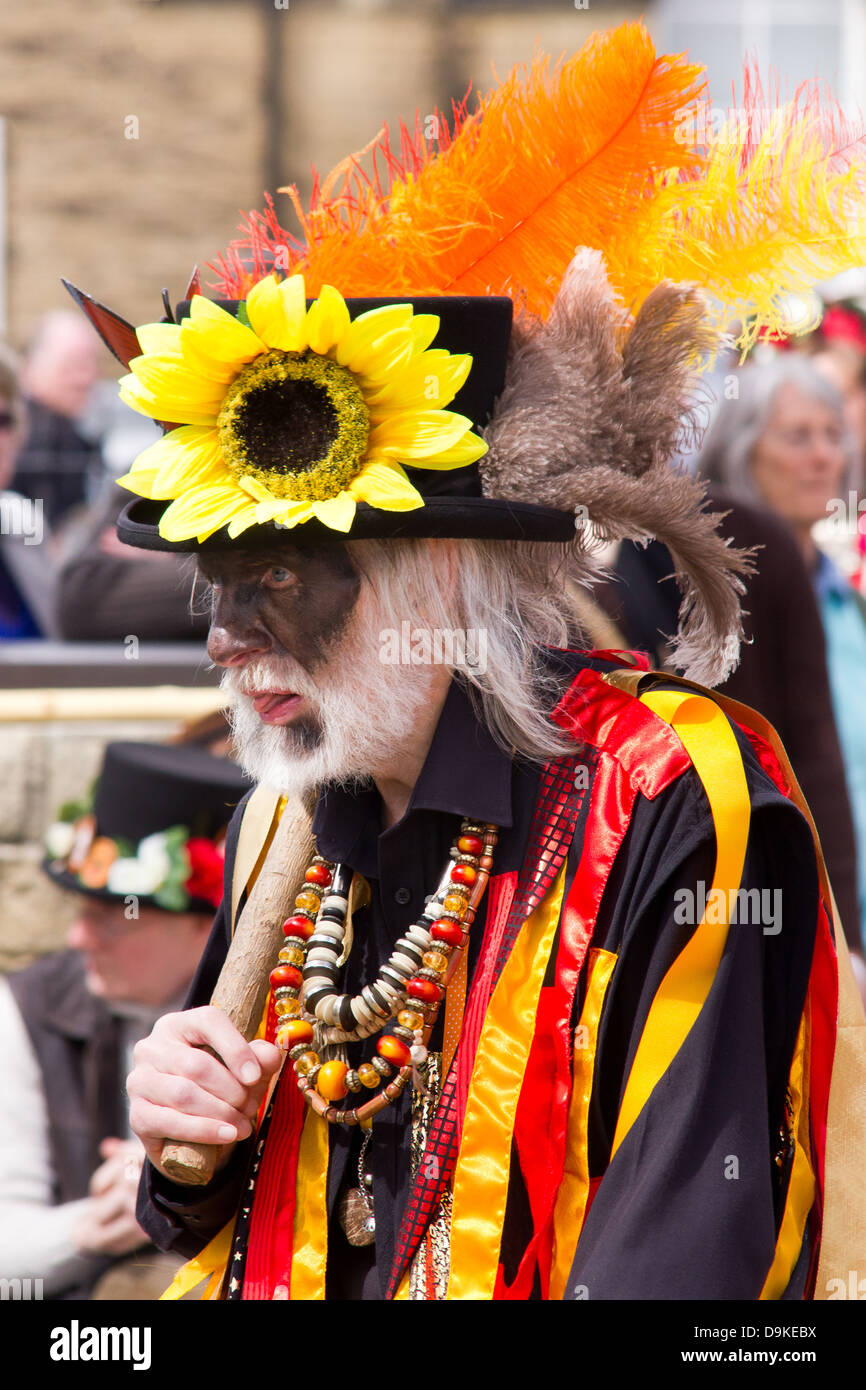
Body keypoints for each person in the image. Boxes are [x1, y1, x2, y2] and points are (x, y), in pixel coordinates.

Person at [73, 22, 865, 1299]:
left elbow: (680, 1268)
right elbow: (225, 1225)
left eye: (279, 579)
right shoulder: (291, 812)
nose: (227, 638)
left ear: (436, 570)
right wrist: (188, 1149)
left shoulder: (667, 795)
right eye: (215, 587)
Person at [0, 739, 250, 1298]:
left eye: (108, 918)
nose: (76, 937)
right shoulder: (28, 1007)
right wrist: (101, 1223)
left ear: (204, 925)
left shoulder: (278, 1022)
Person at [699, 356, 866, 957]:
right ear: (740, 450)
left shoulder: (847, 599)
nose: (824, 457)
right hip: (802, 932)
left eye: (832, 435)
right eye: (798, 437)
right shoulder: (718, 602)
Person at [12, 311, 104, 529]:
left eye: (93, 364)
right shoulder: (25, 433)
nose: (86, 379)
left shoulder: (70, 431)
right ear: (29, 365)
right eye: (72, 366)